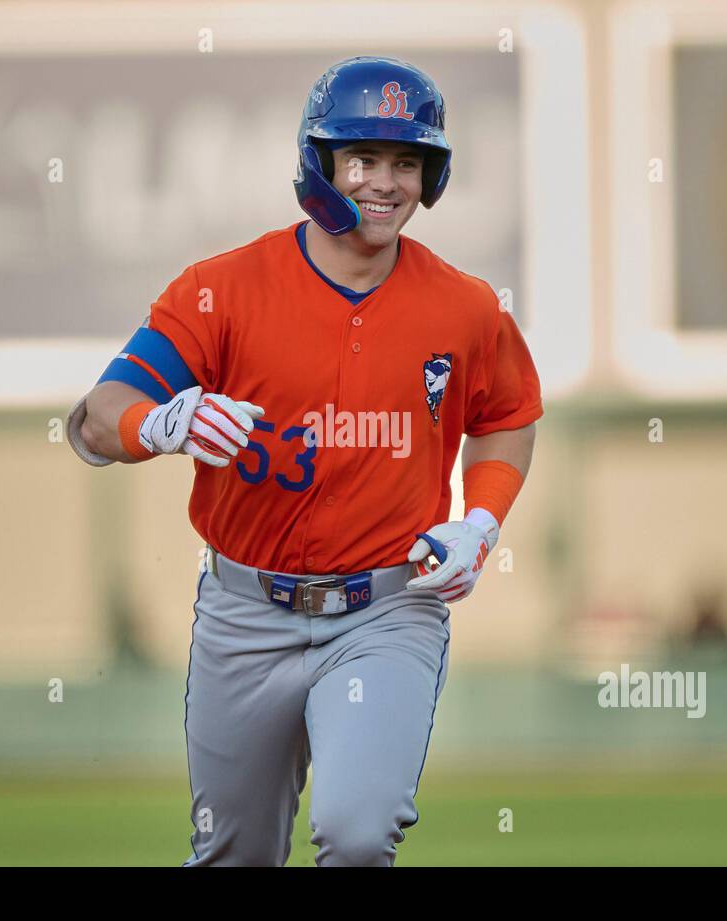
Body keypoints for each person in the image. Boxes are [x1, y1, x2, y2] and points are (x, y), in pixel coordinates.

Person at [67, 56, 542, 866]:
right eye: (363, 159)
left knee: (357, 833)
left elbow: (508, 416)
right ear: (318, 162)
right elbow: (92, 420)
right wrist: (162, 423)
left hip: (388, 608)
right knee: (237, 855)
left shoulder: (464, 307)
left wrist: (480, 520)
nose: (385, 182)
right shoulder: (223, 290)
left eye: (405, 161)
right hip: (244, 613)